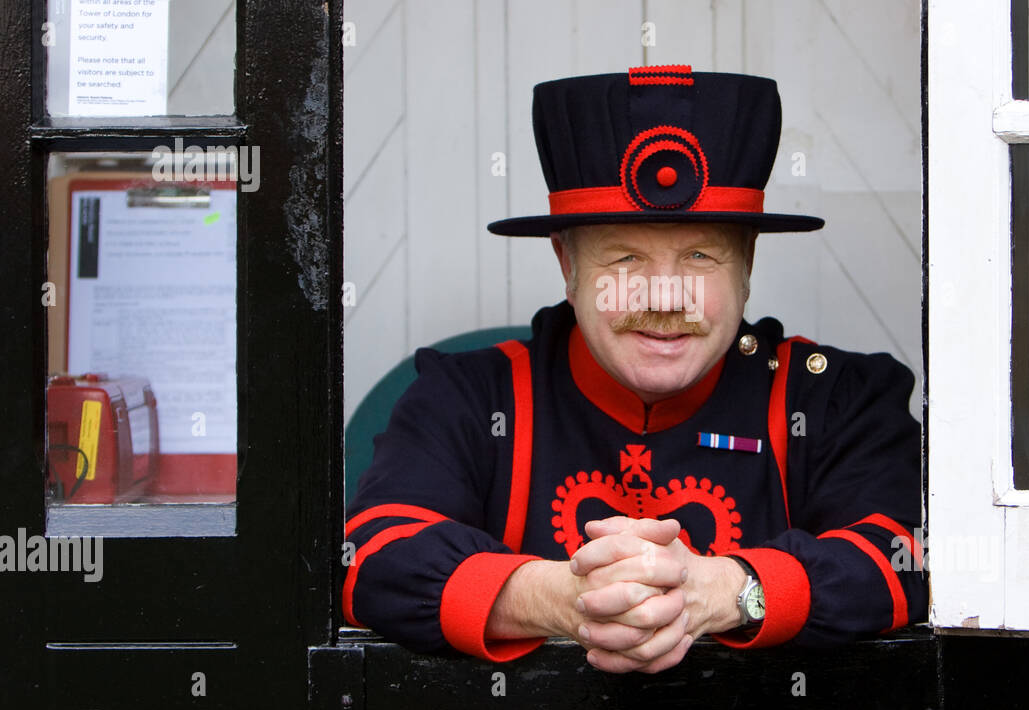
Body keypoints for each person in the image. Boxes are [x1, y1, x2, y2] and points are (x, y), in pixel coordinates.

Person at [343, 64, 926, 674]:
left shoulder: (836, 401)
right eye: (625, 259)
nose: (665, 298)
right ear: (566, 264)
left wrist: (729, 591)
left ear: (747, 263)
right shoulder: (465, 396)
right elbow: (369, 556)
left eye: (700, 256)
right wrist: (559, 600)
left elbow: (904, 556)